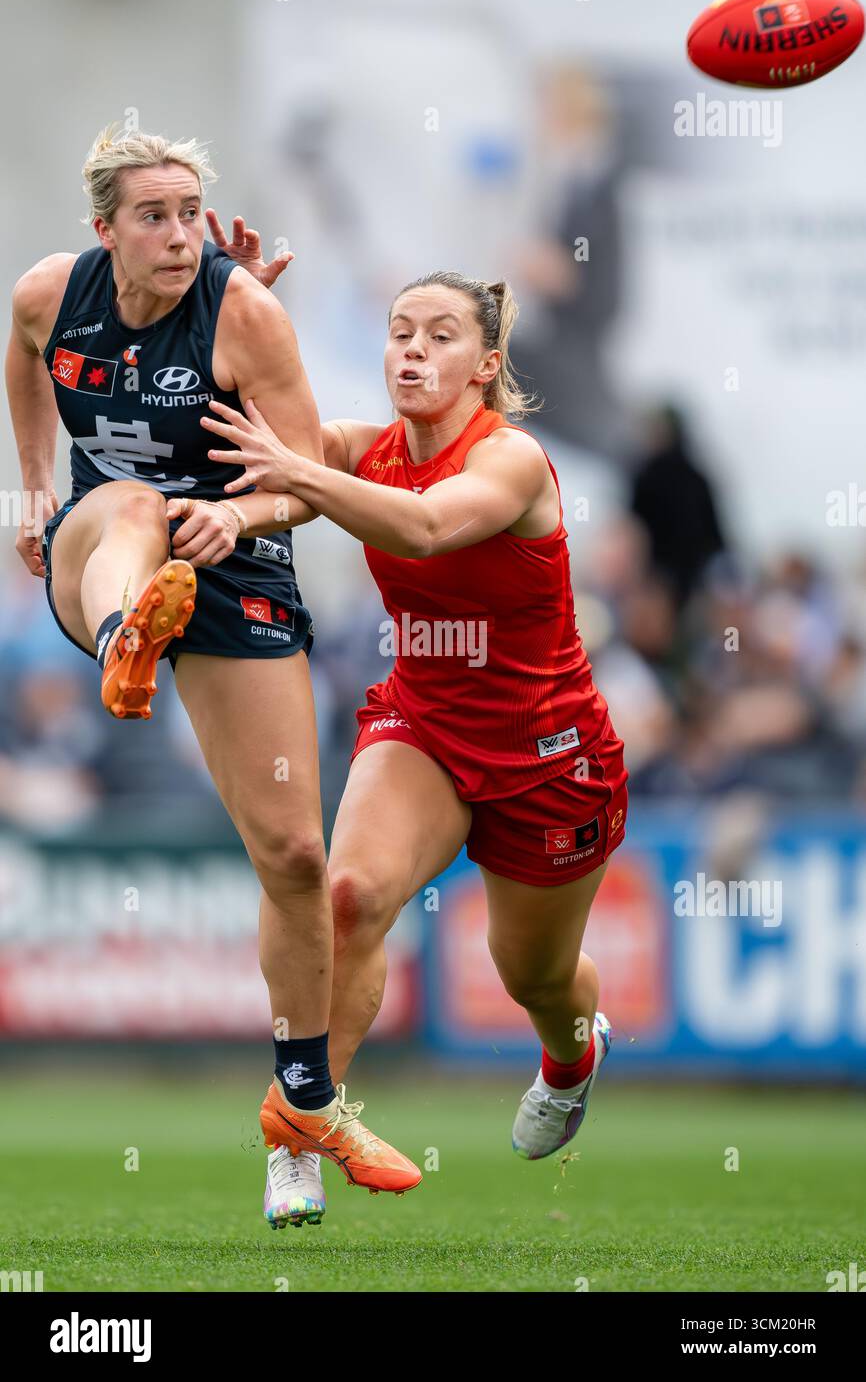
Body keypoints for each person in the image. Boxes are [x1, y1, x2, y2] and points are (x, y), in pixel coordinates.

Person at [4, 127, 421, 1230]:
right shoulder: (53, 292)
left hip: (235, 564)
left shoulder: (244, 314)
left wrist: (237, 510)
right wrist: (34, 489)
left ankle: (298, 1120)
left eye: (192, 211)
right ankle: (125, 638)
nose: (182, 233)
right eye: (155, 215)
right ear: (104, 231)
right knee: (134, 507)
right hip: (106, 551)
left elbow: (305, 478)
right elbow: (22, 350)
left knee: (295, 856)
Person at [201, 243, 629, 1213]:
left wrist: (300, 477)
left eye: (439, 336)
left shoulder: (508, 459)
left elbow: (425, 527)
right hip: (425, 723)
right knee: (344, 896)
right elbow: (242, 438)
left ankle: (571, 1054)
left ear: (483, 364)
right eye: (398, 333)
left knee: (535, 974)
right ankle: (302, 1128)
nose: (410, 351)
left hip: (547, 753)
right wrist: (228, 321)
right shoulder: (359, 447)